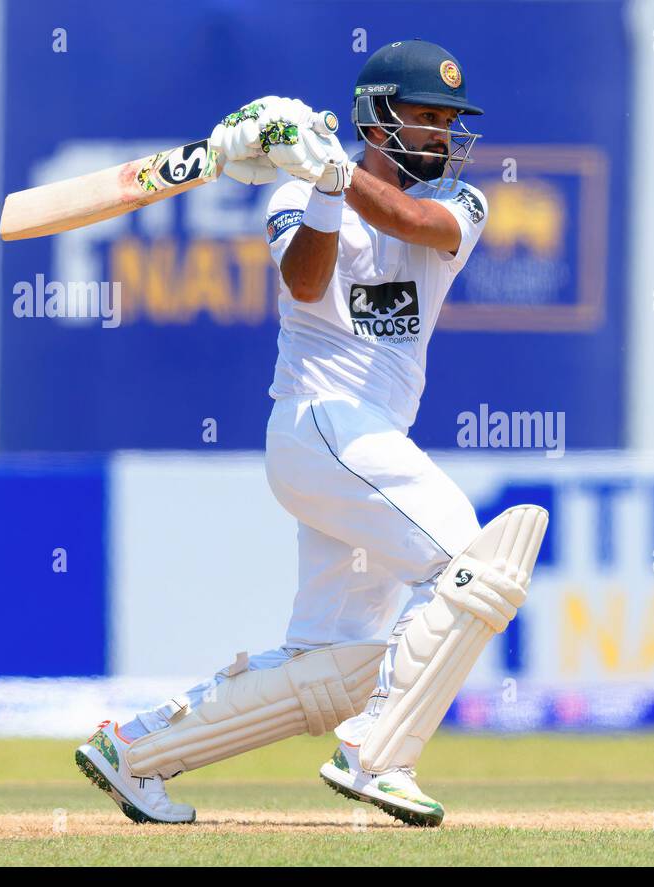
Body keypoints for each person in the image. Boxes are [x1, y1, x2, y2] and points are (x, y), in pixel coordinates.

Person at [75, 39, 547, 827]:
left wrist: (331, 169)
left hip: (360, 445)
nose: (440, 134)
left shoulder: (464, 203)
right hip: (323, 425)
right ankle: (379, 758)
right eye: (425, 117)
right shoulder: (293, 198)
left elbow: (408, 220)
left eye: (447, 121)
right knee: (478, 566)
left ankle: (137, 750)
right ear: (377, 117)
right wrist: (322, 183)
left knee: (338, 664)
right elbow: (305, 280)